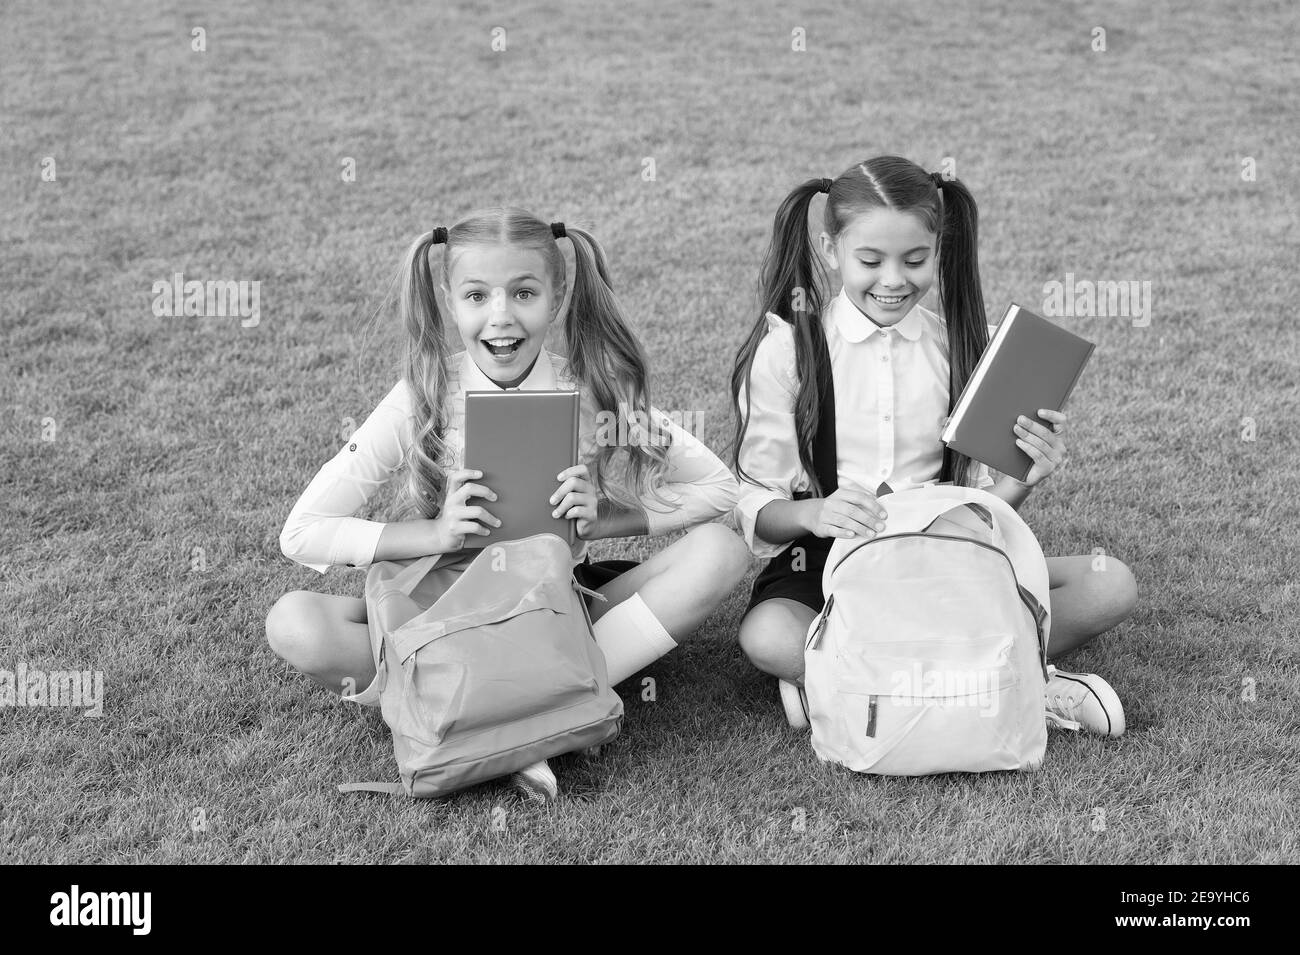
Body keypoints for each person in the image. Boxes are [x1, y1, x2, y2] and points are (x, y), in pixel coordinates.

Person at [268, 208, 750, 802]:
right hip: (436, 619)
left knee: (722, 550)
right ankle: (520, 717)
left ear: (557, 294)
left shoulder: (591, 390)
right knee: (294, 623)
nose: (501, 317)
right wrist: (437, 535)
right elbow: (303, 531)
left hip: (552, 612)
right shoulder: (422, 396)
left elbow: (720, 489)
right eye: (477, 295)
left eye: (524, 292)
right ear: (449, 300)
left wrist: (607, 521)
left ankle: (505, 717)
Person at [730, 157, 1138, 736]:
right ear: (829, 248)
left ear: (938, 249)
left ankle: (845, 682)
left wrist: (1018, 482)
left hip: (944, 554)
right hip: (826, 560)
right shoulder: (787, 353)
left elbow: (981, 511)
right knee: (768, 633)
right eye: (870, 261)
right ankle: (1009, 678)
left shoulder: (966, 348)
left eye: (915, 260)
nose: (894, 280)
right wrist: (816, 512)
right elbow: (755, 507)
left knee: (1108, 584)